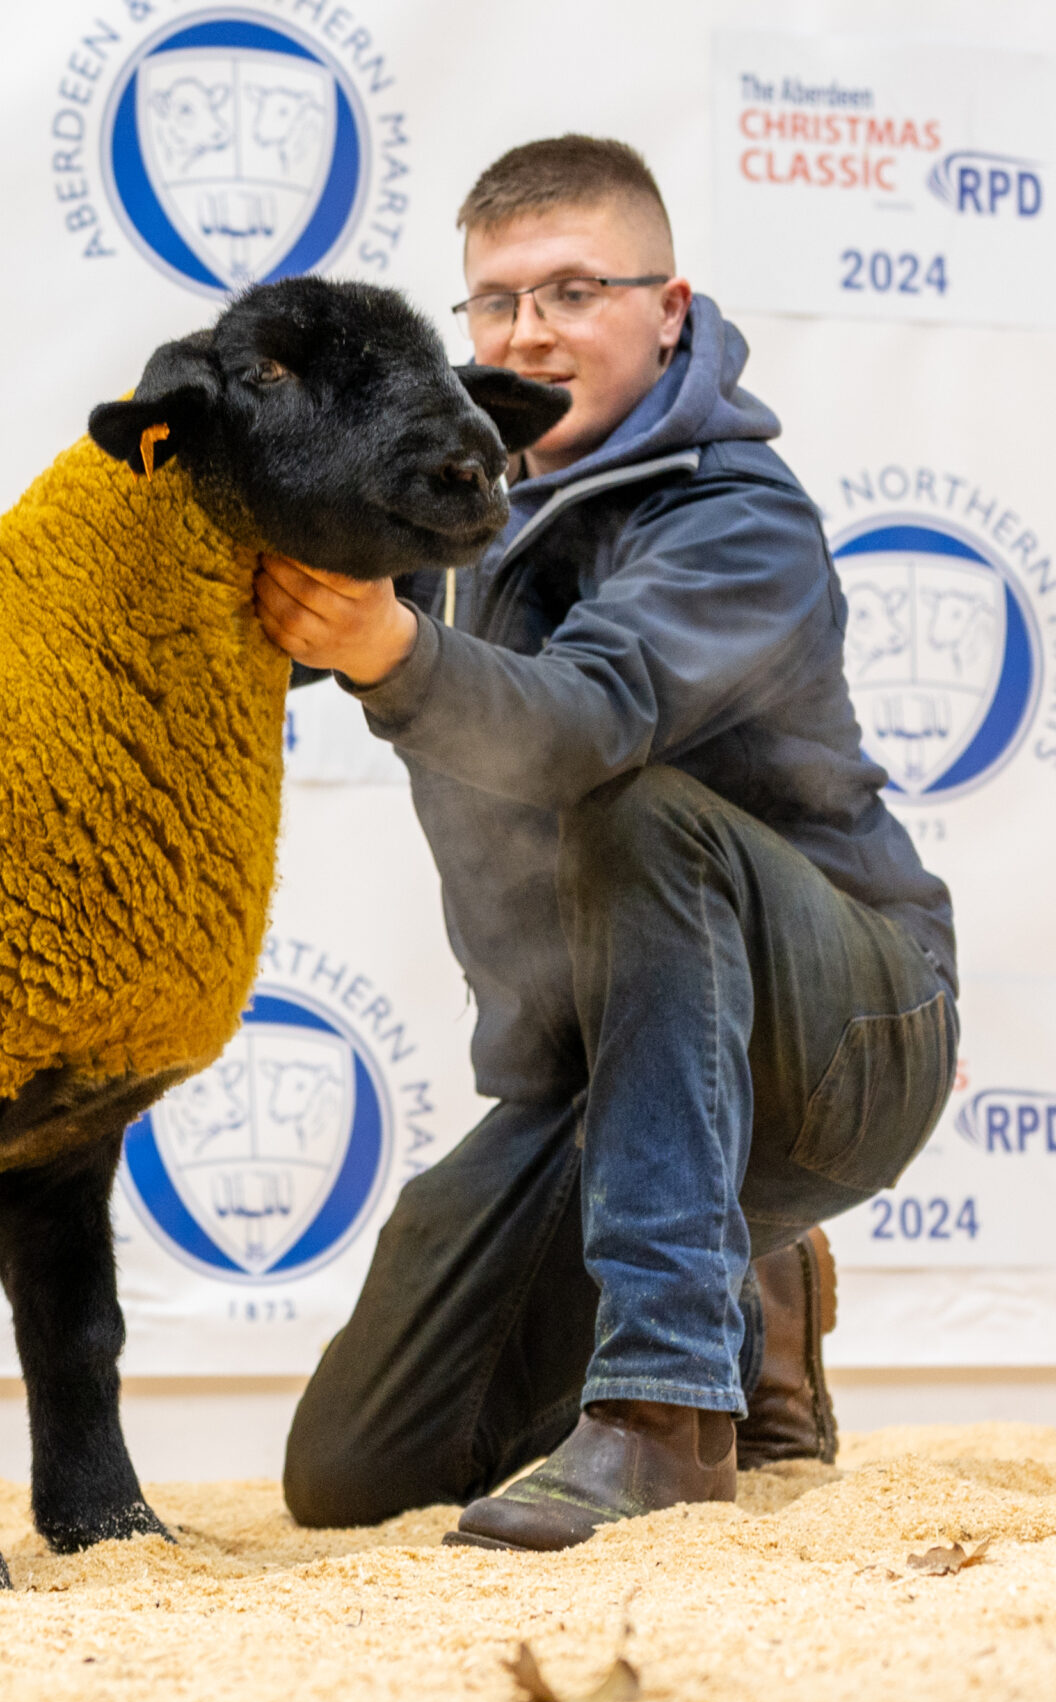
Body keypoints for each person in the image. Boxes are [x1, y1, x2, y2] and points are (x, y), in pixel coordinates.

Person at [253, 136, 958, 1550]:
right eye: (499, 301)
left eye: (576, 289)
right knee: (353, 1472)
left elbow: (587, 721)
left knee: (627, 802)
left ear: (671, 308)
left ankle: (667, 1416)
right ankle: (754, 1286)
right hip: (611, 1076)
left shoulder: (738, 519)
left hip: (844, 1035)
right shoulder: (454, 513)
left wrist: (389, 647)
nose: (531, 331)